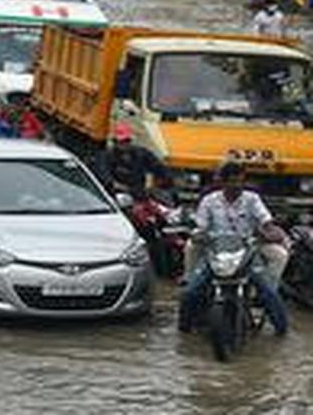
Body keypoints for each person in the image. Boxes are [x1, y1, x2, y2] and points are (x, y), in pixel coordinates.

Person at [179, 161, 290, 335]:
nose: (236, 185)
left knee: (268, 291)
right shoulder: (209, 201)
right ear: (222, 182)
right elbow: (200, 227)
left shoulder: (252, 199)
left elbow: (266, 222)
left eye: (240, 181)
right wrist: (198, 235)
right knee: (191, 290)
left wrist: (268, 231)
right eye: (232, 181)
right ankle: (184, 328)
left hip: (247, 253)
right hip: (216, 252)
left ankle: (281, 329)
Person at [93, 123, 170, 197]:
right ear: (115, 142)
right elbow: (104, 177)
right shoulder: (105, 156)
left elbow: (159, 168)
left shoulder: (141, 153)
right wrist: (120, 187)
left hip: (140, 194)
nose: (124, 145)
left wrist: (160, 182)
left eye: (126, 141)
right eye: (121, 142)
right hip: (116, 196)